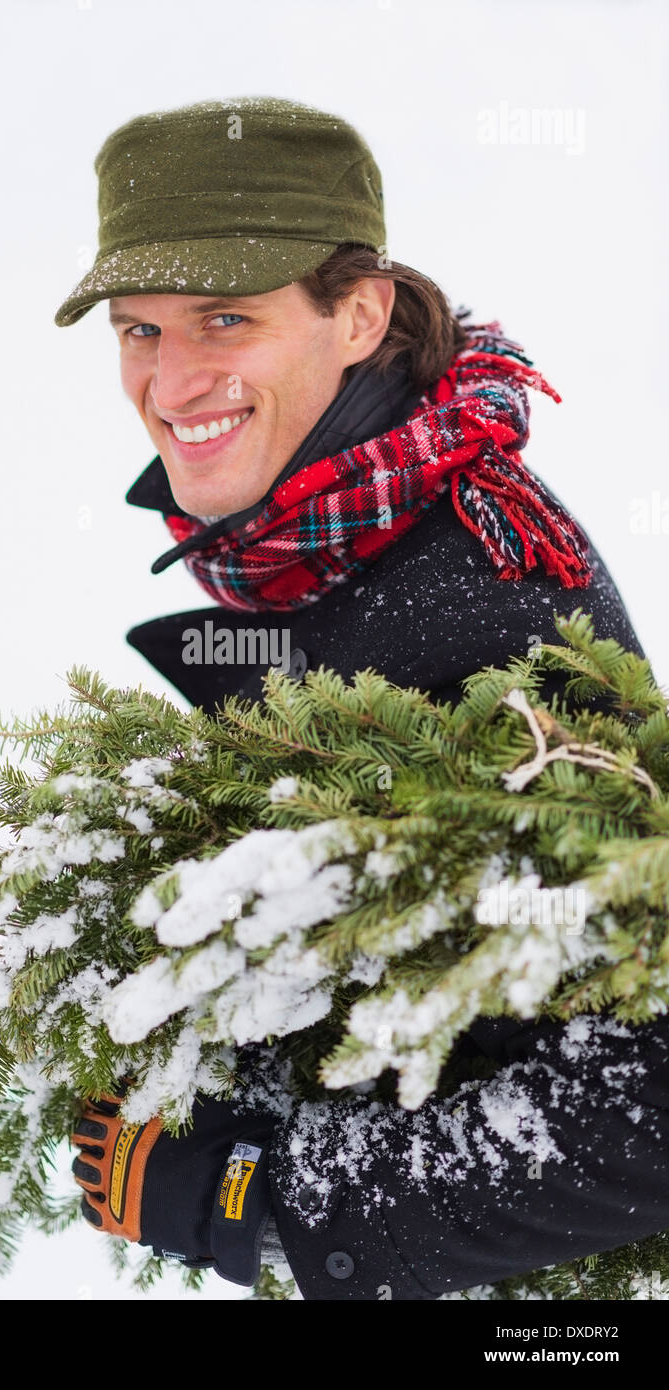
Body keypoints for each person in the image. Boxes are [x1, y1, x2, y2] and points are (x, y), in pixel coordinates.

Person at [53, 97, 669, 1301]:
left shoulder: (483, 602)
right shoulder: (327, 532)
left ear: (359, 315)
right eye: (138, 330)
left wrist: (261, 1197)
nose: (170, 381)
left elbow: (645, 1093)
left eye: (226, 318)